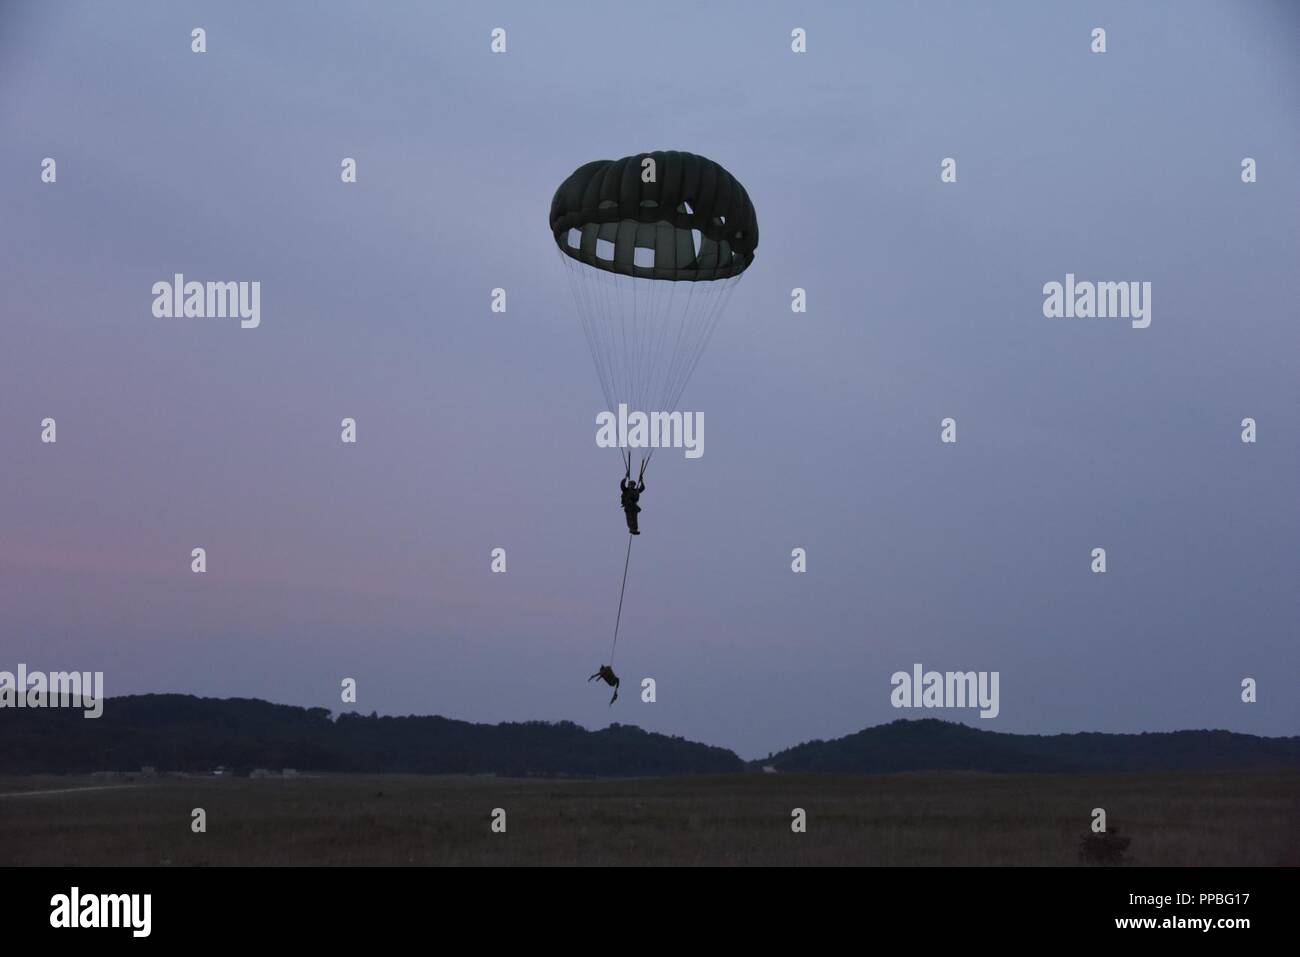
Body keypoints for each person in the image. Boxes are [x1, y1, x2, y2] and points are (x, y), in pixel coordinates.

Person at [620, 462, 645, 535]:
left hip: (633, 506)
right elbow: (622, 485)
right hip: (628, 505)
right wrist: (625, 477)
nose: (632, 486)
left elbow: (642, 488)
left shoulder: (636, 490)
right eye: (631, 484)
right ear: (629, 485)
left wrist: (641, 480)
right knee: (630, 518)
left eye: (633, 485)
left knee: (635, 518)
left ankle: (635, 529)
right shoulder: (626, 490)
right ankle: (631, 528)